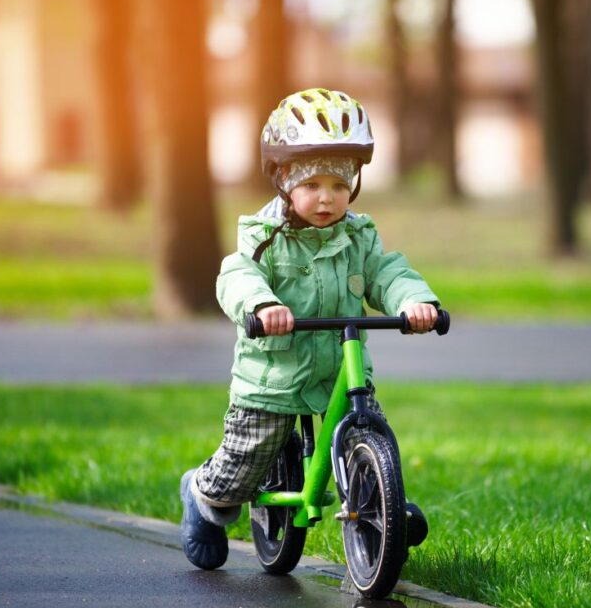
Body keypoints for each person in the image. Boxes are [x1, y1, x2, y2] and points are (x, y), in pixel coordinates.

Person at [180, 89, 440, 570]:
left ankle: (380, 499)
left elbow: (386, 273)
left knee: (366, 426)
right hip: (274, 377)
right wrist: (263, 303)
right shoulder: (264, 236)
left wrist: (415, 301)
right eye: (313, 183)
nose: (327, 197)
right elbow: (237, 275)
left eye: (340, 185)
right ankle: (202, 495)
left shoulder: (357, 235)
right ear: (283, 180)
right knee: (242, 467)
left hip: (340, 371)